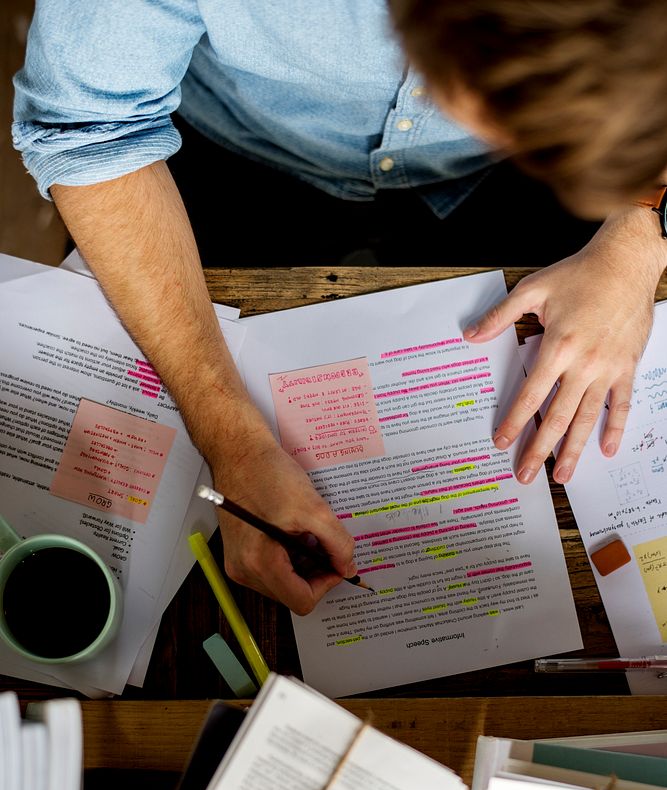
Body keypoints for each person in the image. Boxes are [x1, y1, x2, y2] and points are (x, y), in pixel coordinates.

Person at [12, 0, 667, 615]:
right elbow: (90, 132)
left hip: (512, 190)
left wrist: (640, 229)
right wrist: (232, 442)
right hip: (227, 154)